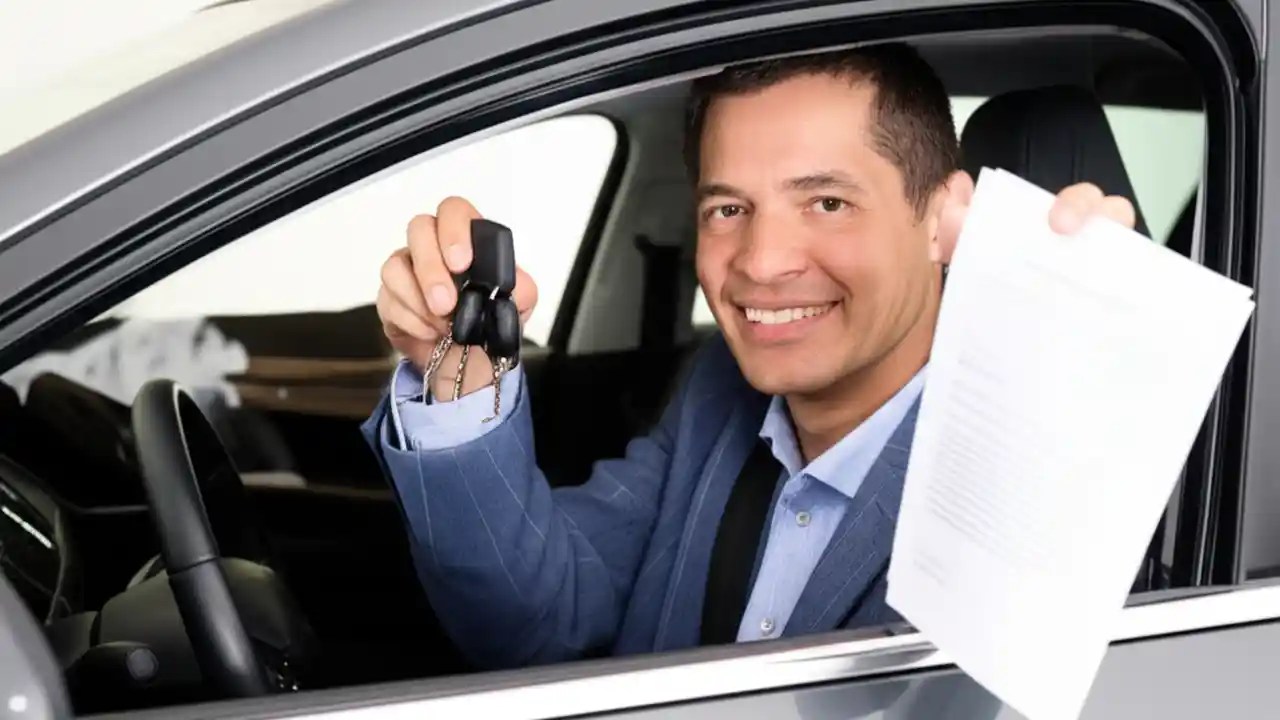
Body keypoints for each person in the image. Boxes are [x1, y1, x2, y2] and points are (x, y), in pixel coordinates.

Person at [363, 44, 1138, 669]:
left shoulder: (1035, 444)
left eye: (826, 203)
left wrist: (1106, 376)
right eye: (729, 209)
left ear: (944, 219)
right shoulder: (717, 394)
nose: (762, 263)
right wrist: (455, 372)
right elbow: (534, 620)